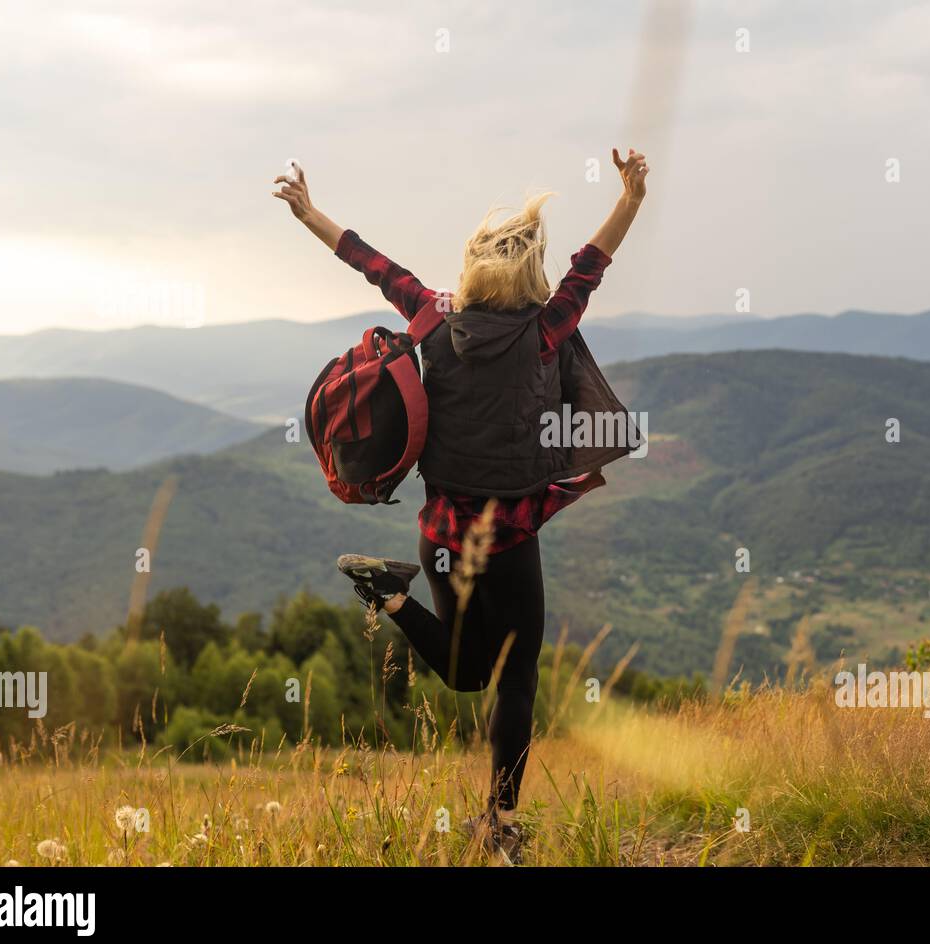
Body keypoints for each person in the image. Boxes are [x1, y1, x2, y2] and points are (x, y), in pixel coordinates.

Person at [272, 150, 648, 858]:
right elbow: (592, 264)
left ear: (473, 265)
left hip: (438, 538)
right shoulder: (545, 331)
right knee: (515, 679)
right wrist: (630, 196)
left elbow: (372, 264)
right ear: (531, 272)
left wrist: (308, 213)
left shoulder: (432, 319)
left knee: (468, 672)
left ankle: (387, 595)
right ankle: (500, 822)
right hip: (507, 540)